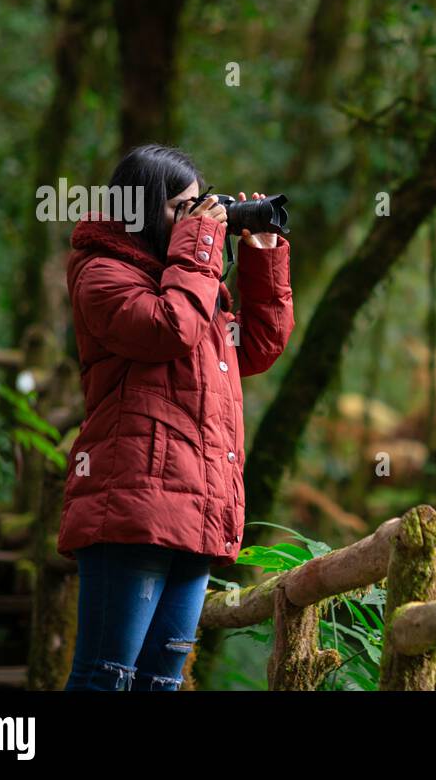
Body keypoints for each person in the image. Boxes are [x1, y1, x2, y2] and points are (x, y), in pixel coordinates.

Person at [59, 144, 294, 690]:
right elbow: (168, 329)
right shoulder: (103, 274)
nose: (197, 218)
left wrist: (260, 253)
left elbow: (254, 347)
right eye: (180, 208)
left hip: (199, 511)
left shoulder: (190, 279)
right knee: (107, 676)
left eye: (201, 205)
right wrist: (202, 246)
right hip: (132, 506)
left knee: (161, 680)